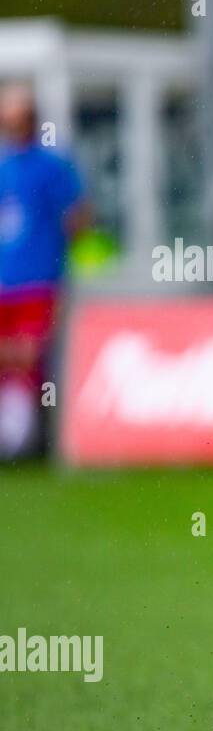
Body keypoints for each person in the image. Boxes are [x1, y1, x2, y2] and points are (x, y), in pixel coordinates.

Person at [0, 81, 87, 460]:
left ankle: (29, 441)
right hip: (5, 282)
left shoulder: (52, 165)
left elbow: (79, 216)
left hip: (37, 281)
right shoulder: (4, 165)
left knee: (29, 356)